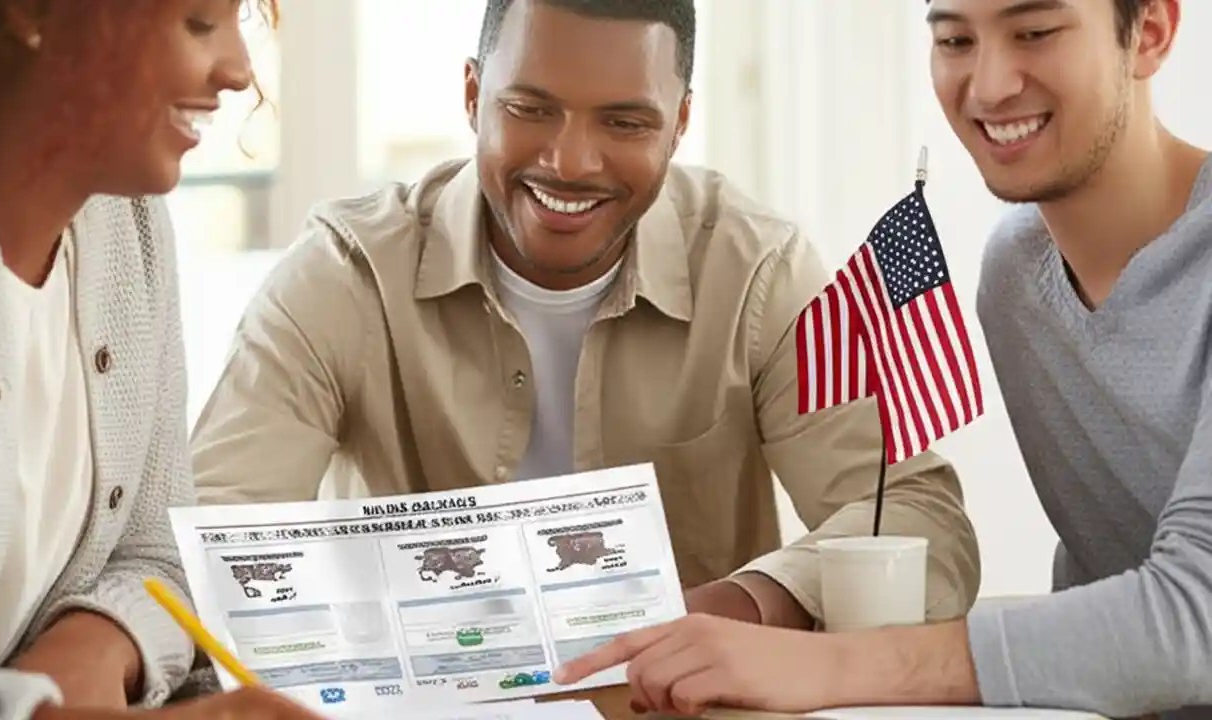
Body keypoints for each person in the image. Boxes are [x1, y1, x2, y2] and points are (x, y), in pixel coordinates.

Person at [188, 0, 981, 639]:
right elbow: (207, 535)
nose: (569, 162)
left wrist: (738, 609)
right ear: (472, 96)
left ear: (680, 122)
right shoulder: (345, 272)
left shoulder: (755, 273)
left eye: (625, 123)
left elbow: (917, 519)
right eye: (530, 109)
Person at [554, 0, 1212, 718]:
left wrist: (825, 663)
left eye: (1035, 33)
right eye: (956, 39)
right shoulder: (1019, 272)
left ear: (1150, 33)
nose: (988, 86)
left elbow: (1196, 618)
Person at [0, 1, 323, 719]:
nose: (238, 71)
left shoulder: (126, 223)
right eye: (199, 23)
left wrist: (101, 641)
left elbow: (159, 553)